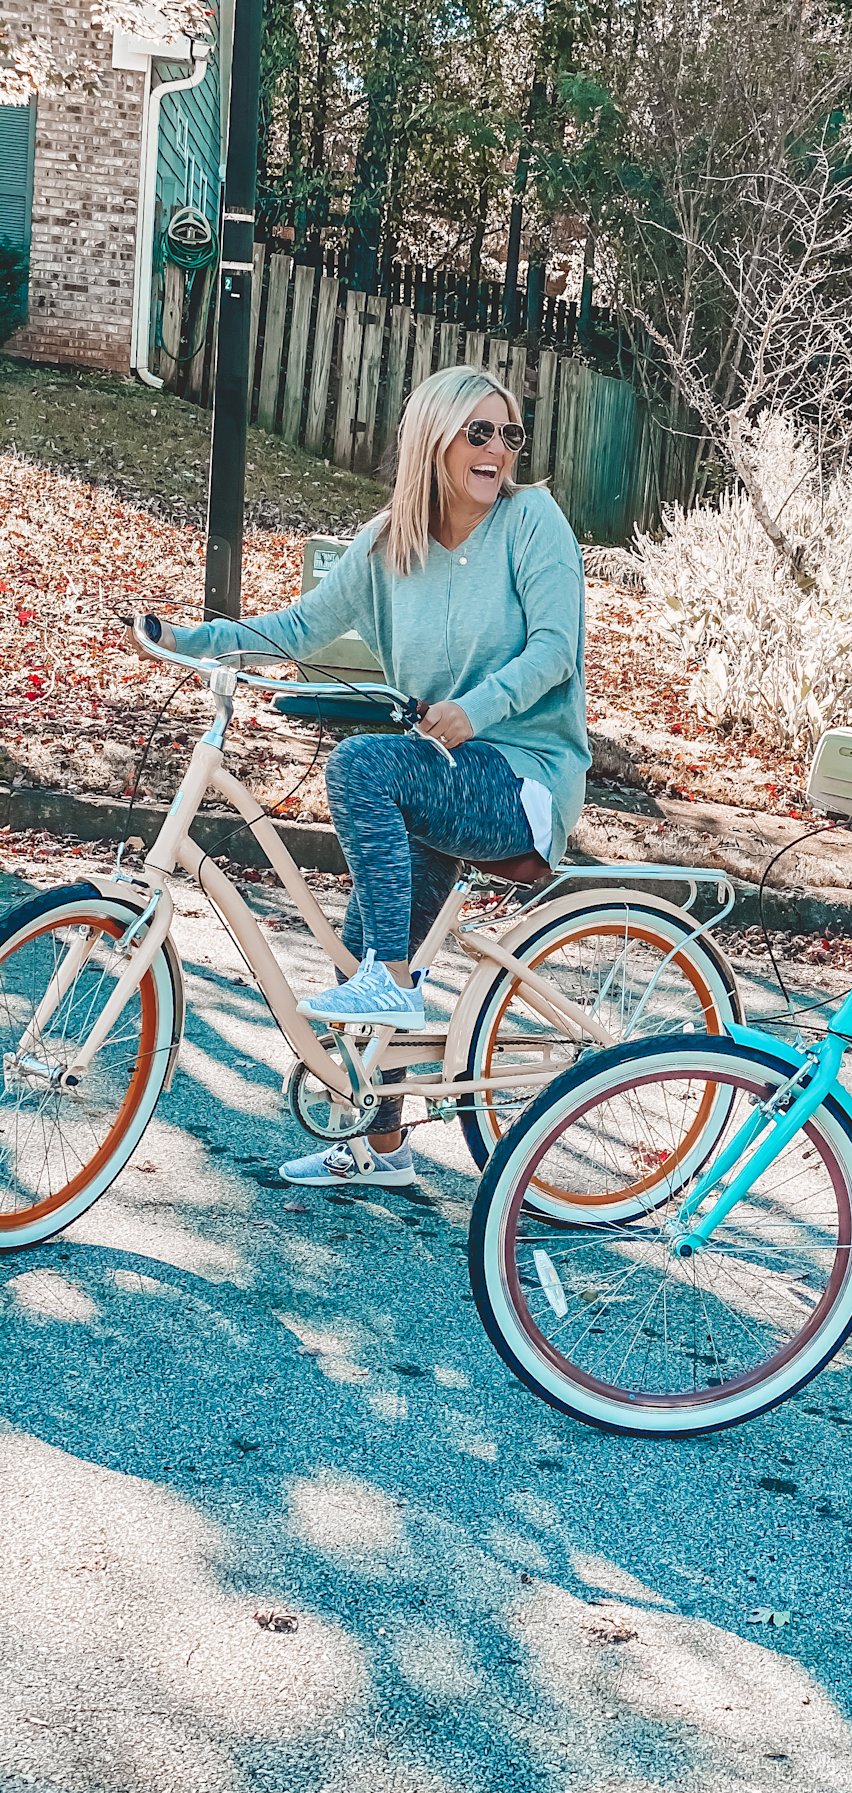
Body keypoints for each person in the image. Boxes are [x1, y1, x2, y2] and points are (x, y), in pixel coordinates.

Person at [149, 365, 588, 1190]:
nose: (498, 449)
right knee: (361, 949)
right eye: (480, 432)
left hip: (523, 777)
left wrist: (475, 709)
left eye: (510, 434)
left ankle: (392, 983)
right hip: (441, 771)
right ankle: (380, 1146)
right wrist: (193, 638)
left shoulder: (533, 522)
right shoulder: (391, 543)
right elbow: (300, 627)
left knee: (360, 769)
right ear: (435, 439)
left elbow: (555, 650)